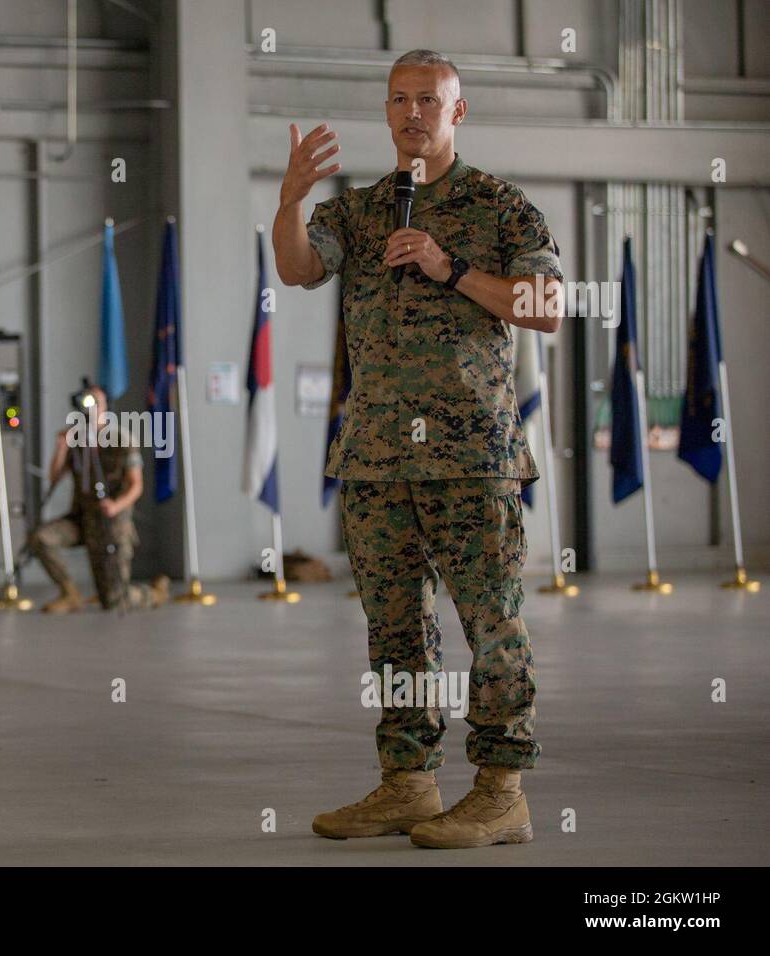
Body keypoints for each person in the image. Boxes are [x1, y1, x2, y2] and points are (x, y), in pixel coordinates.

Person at [273, 49, 563, 849]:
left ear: (457, 112)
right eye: (399, 99)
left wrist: (450, 266)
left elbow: (544, 305)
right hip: (376, 457)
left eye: (429, 100)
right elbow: (298, 268)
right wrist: (292, 199)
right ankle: (408, 782)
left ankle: (502, 792)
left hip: (472, 456)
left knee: (492, 623)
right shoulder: (363, 212)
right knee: (396, 630)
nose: (412, 113)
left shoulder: (500, 207)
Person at [28, 384, 170, 613]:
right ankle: (69, 593)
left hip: (111, 524)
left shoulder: (121, 439)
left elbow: (136, 486)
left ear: (105, 408)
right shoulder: (75, 440)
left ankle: (154, 593)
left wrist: (116, 506)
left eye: (96, 404)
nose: (91, 410)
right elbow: (54, 478)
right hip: (81, 519)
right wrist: (61, 448)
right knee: (41, 538)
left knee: (114, 601)